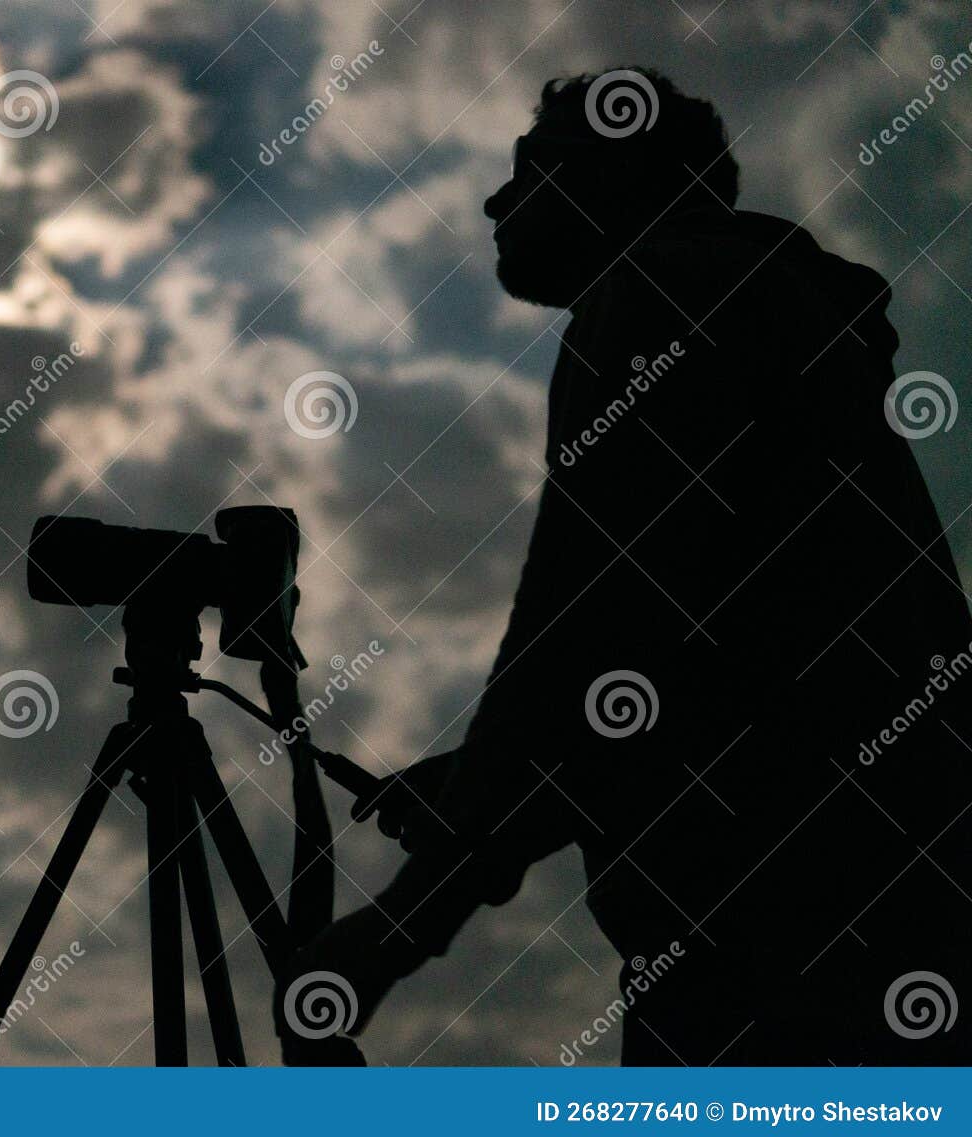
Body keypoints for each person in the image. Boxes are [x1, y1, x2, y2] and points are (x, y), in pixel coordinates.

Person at [283, 68, 972, 1064]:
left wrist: (396, 930)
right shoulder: (774, 314)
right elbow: (688, 674)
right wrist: (498, 785)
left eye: (533, 170)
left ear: (615, 179)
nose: (495, 199)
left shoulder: (656, 297)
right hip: (892, 905)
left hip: (770, 943)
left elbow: (594, 631)